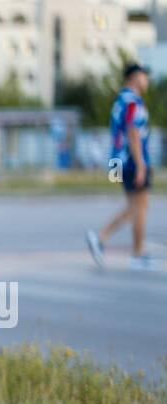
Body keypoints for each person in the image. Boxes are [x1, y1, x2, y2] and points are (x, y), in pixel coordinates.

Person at [87, 63, 156, 270]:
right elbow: (133, 132)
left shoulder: (120, 100)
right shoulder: (133, 101)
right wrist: (141, 165)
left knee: (134, 207)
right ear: (135, 77)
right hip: (132, 160)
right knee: (141, 207)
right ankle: (130, 251)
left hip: (117, 160)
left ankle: (102, 239)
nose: (146, 81)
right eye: (144, 76)